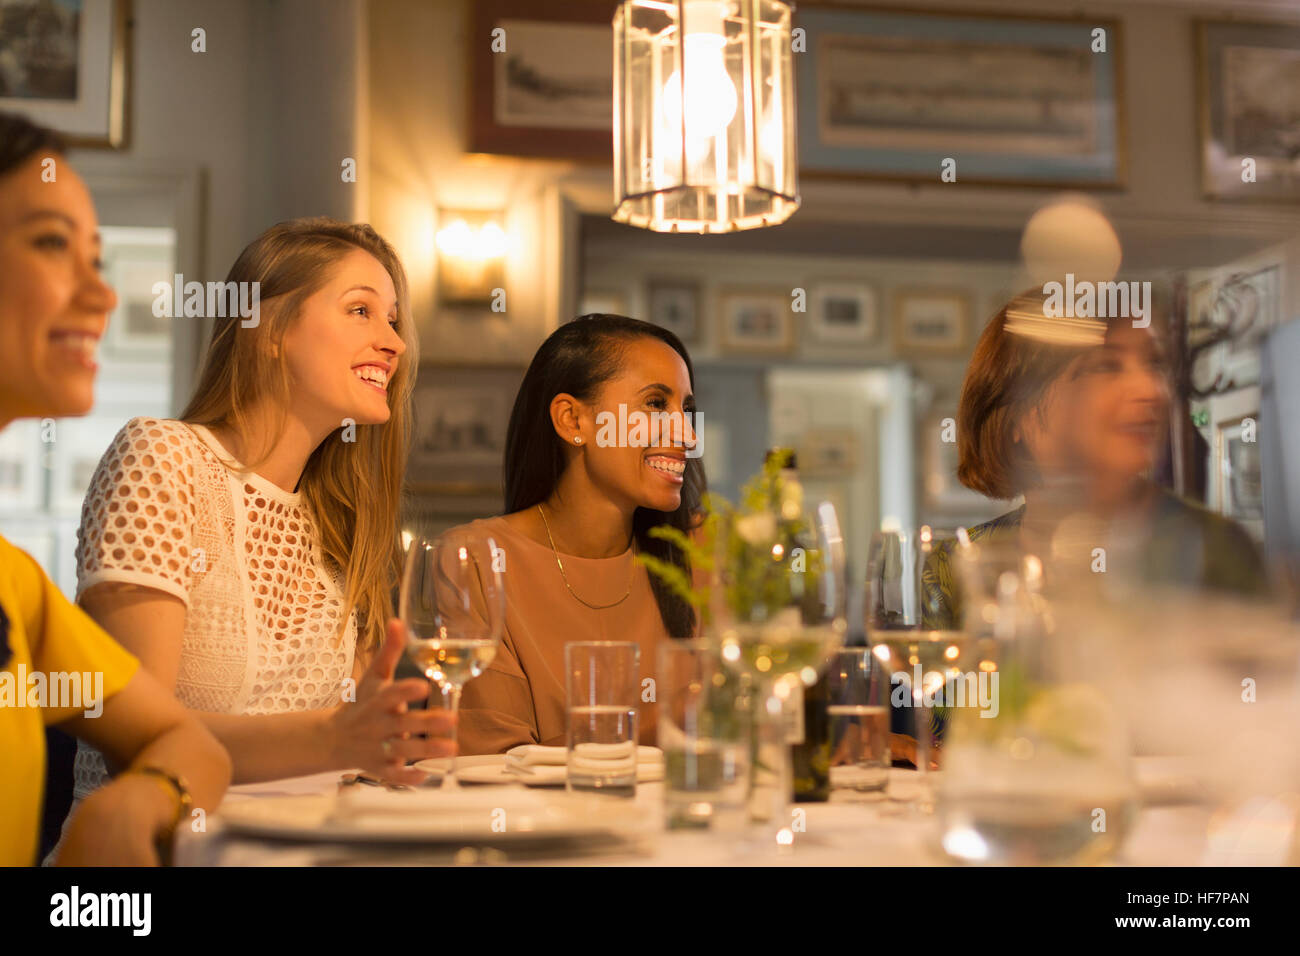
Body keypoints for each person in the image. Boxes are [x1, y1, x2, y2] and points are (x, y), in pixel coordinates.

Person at [67, 217, 455, 807]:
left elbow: (351, 763)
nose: (394, 343)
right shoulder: (161, 457)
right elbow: (134, 738)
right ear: (267, 327)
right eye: (360, 311)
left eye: (393, 321)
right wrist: (335, 740)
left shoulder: (343, 524)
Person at [0, 111, 230, 865]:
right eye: (51, 244)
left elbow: (186, 741)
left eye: (95, 257)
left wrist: (140, 797)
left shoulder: (16, 587)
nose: (101, 295)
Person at [925, 287, 1270, 627]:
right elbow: (937, 681)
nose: (1151, 389)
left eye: (1153, 364)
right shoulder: (954, 567)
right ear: (1019, 416)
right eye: (1105, 366)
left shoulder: (1216, 551)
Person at [450, 315, 705, 754]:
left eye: (685, 408)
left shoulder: (702, 549)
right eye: (656, 404)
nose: (686, 434)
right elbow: (491, 765)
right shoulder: (477, 558)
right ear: (573, 420)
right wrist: (671, 720)